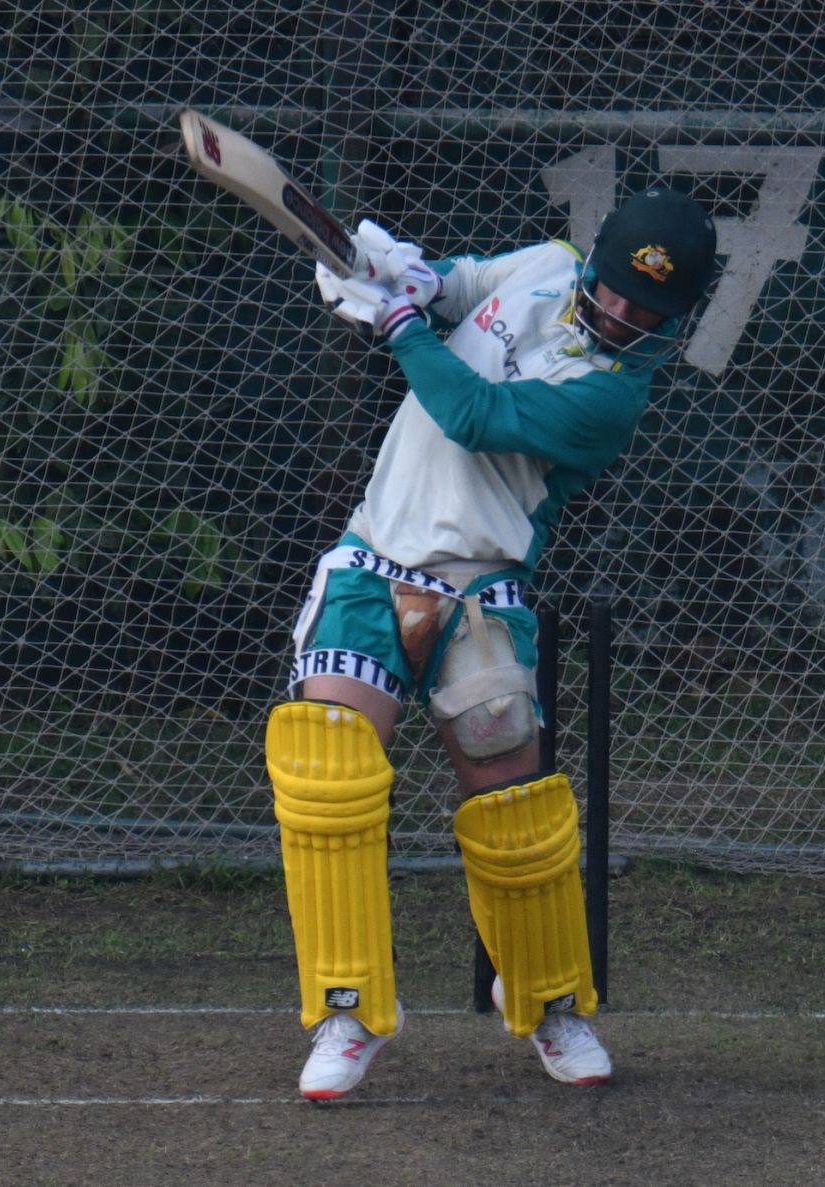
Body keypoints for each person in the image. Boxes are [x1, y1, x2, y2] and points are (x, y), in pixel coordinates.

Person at [264, 188, 718, 1100]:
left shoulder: (612, 398)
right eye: (618, 291)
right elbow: (464, 286)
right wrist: (413, 280)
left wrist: (399, 324)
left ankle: (551, 1000)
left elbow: (468, 412)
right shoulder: (547, 264)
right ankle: (347, 1013)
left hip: (481, 586)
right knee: (328, 776)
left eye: (651, 310)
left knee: (514, 819)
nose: (626, 315)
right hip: (371, 559)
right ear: (592, 264)